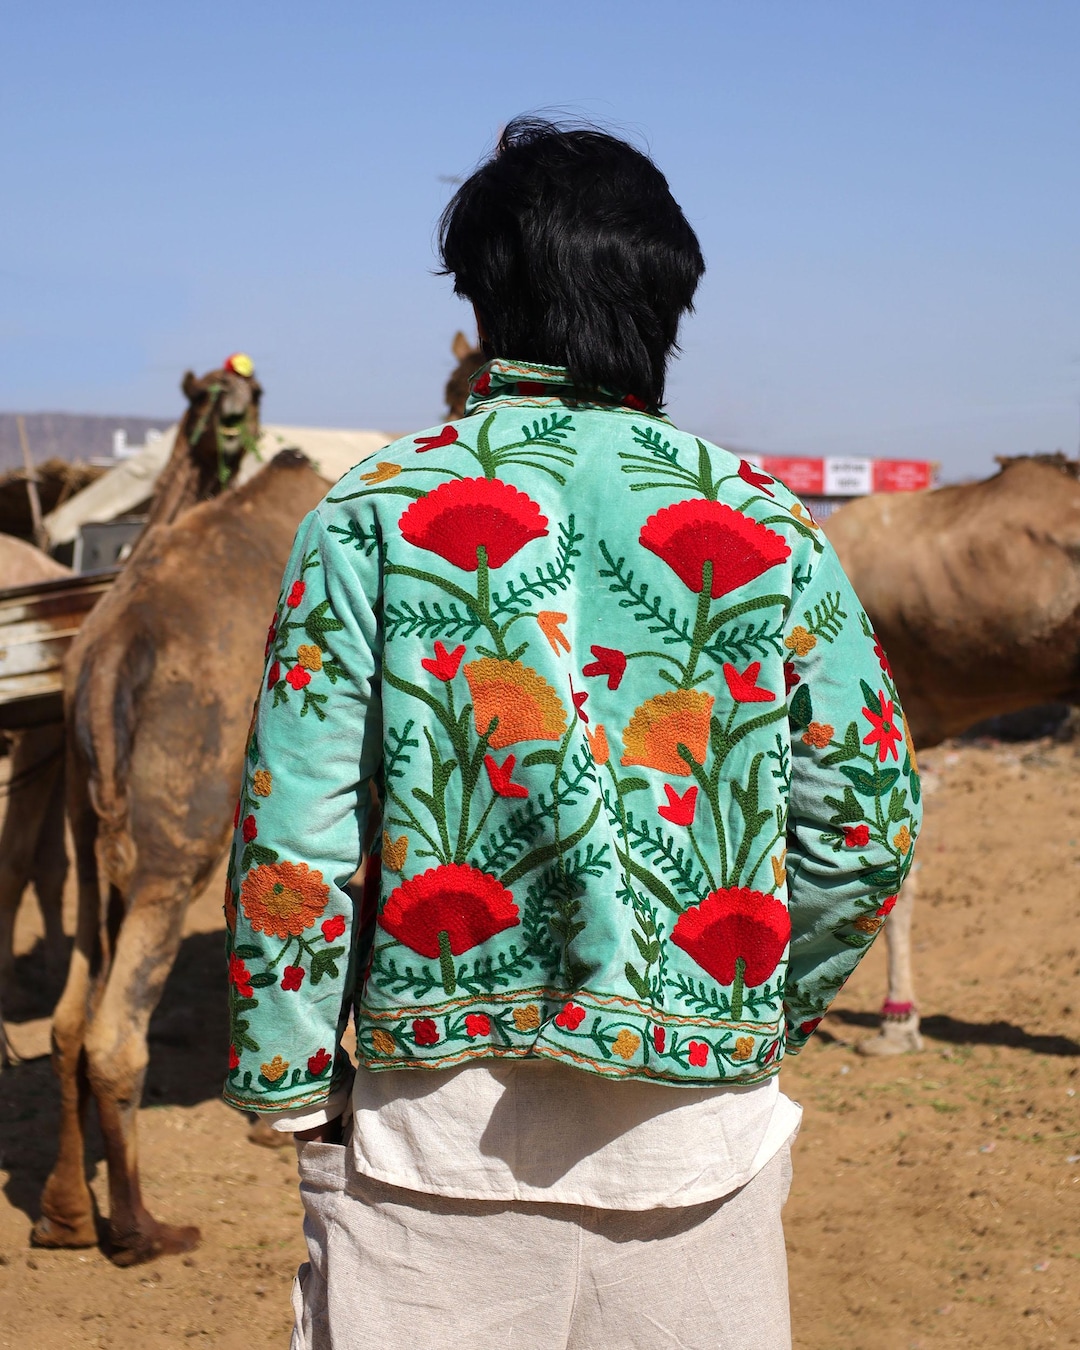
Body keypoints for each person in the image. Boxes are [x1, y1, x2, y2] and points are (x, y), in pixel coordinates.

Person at [223, 117, 920, 1350]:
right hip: (698, 1156)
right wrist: (752, 993)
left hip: (425, 1158)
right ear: (669, 302)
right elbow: (865, 825)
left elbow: (300, 823)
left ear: (484, 301)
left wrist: (286, 1071)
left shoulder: (372, 513)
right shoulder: (774, 523)